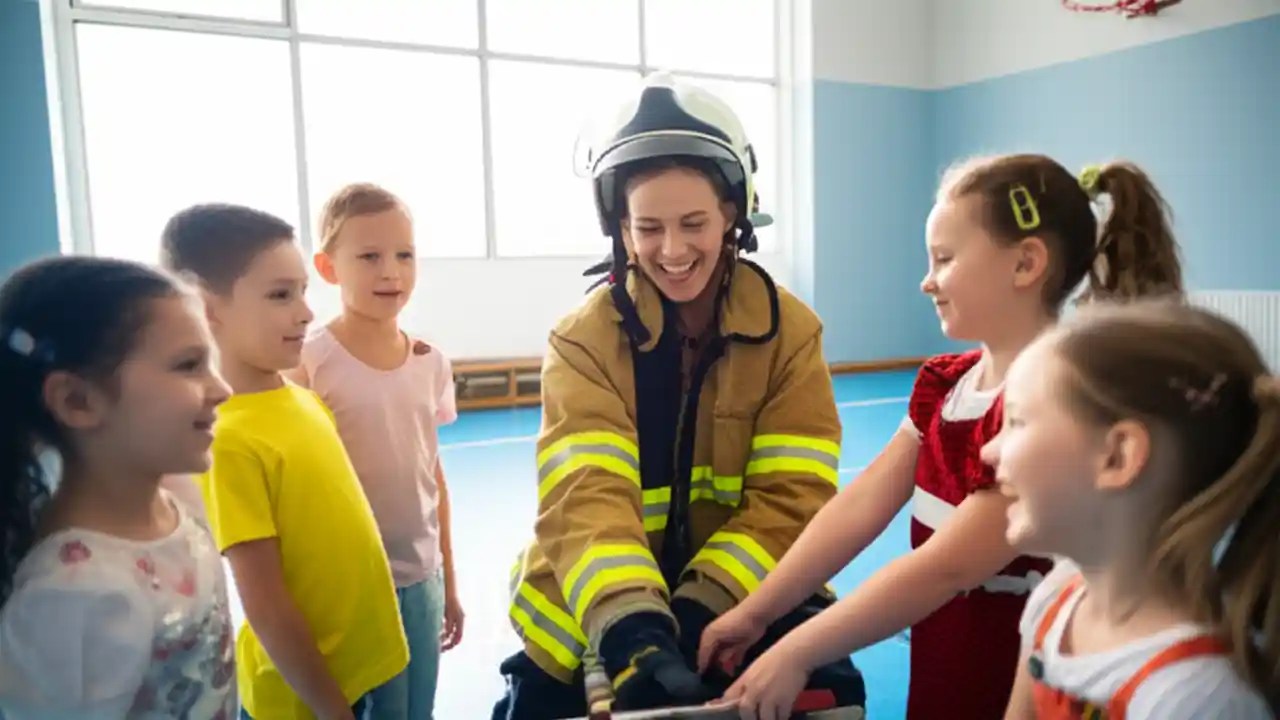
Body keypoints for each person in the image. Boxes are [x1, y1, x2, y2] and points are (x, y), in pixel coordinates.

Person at [701, 156, 1186, 720]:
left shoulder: (1053, 413)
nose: (927, 279)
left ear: (1025, 263)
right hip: (943, 662)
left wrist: (798, 650)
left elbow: (945, 567)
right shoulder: (946, 384)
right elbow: (861, 505)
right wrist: (756, 612)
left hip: (1016, 683)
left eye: (945, 259)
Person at [491, 71, 866, 719]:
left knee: (835, 702)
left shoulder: (792, 334)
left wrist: (697, 614)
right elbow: (587, 497)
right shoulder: (581, 341)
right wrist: (635, 636)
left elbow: (790, 499)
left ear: (732, 214)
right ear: (620, 226)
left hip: (746, 601)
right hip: (595, 619)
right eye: (648, 227)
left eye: (694, 222)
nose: (671, 249)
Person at [161, 204, 409, 720]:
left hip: (361, 668)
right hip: (306, 699)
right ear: (207, 310)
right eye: (280, 295)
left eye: (301, 291)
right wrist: (331, 710)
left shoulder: (301, 399)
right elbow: (268, 608)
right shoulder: (227, 439)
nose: (305, 311)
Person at [989, 299, 1276, 719]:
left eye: (1015, 422)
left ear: (1117, 457)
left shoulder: (1195, 696)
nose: (988, 450)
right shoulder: (1056, 602)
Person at [0, 256, 236, 719]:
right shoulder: (74, 593)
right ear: (78, 401)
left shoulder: (173, 508)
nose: (222, 389)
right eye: (190, 365)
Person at [290, 183, 463, 720]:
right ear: (328, 267)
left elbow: (431, 475)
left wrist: (449, 582)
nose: (391, 272)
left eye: (404, 255)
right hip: (351, 586)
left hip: (422, 578)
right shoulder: (310, 362)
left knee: (417, 711)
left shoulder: (429, 361)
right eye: (369, 256)